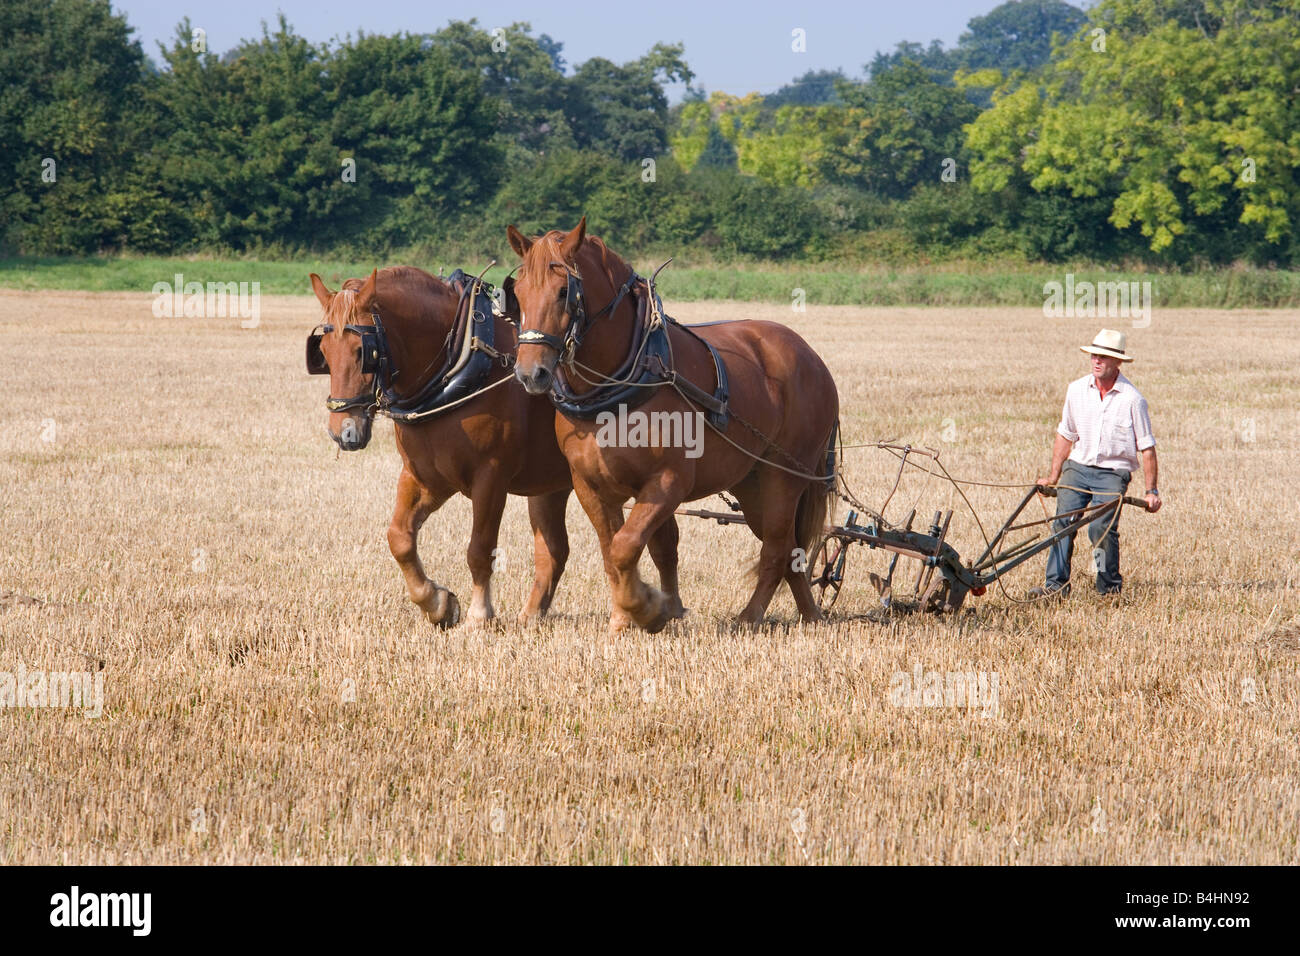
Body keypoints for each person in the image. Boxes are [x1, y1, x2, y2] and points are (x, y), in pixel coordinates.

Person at [1031, 329, 1162, 598]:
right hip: (1077, 468)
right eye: (1094, 355)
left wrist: (1152, 492)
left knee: (1100, 528)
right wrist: (1053, 476)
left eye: (1103, 356)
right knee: (1062, 522)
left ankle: (1108, 589)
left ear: (1118, 362)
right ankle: (1055, 586)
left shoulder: (1133, 399)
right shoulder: (1076, 390)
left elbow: (1147, 449)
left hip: (1112, 473)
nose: (1096, 361)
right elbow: (1065, 434)